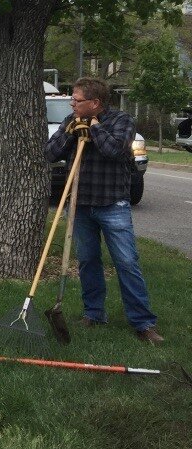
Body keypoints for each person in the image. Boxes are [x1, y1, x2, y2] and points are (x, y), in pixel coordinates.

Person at [45, 76, 163, 345]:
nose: (72, 103)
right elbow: (49, 154)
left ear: (95, 103)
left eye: (77, 100)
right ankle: (94, 313)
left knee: (127, 262)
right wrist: (69, 134)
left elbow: (115, 151)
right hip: (81, 204)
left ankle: (143, 323)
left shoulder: (122, 121)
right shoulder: (70, 122)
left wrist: (94, 129)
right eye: (72, 99)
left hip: (112, 204)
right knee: (88, 261)